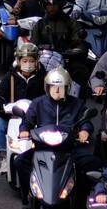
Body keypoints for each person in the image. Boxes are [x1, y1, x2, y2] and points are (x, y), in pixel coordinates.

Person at [12, 67, 100, 199]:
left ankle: (79, 200)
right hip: (42, 147)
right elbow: (27, 121)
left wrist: (85, 130)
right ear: (47, 87)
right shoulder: (38, 103)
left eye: (61, 87)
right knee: (20, 162)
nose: (57, 90)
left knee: (93, 163)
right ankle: (29, 194)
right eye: (53, 86)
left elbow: (85, 120)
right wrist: (24, 130)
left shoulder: (77, 103)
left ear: (68, 87)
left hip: (68, 148)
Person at [0, 41, 45, 161]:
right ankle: (4, 156)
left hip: (36, 118)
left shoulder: (44, 77)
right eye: (25, 61)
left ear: (37, 61)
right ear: (18, 61)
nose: (28, 64)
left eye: (31, 61)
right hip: (12, 116)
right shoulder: (10, 77)